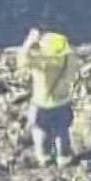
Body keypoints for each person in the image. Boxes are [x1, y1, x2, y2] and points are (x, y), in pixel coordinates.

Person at [16, 28, 77, 166]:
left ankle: (44, 157)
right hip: (62, 102)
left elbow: (22, 61)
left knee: (41, 132)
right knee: (62, 132)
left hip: (40, 104)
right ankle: (64, 158)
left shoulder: (39, 61)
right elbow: (72, 61)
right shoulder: (67, 59)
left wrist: (29, 42)